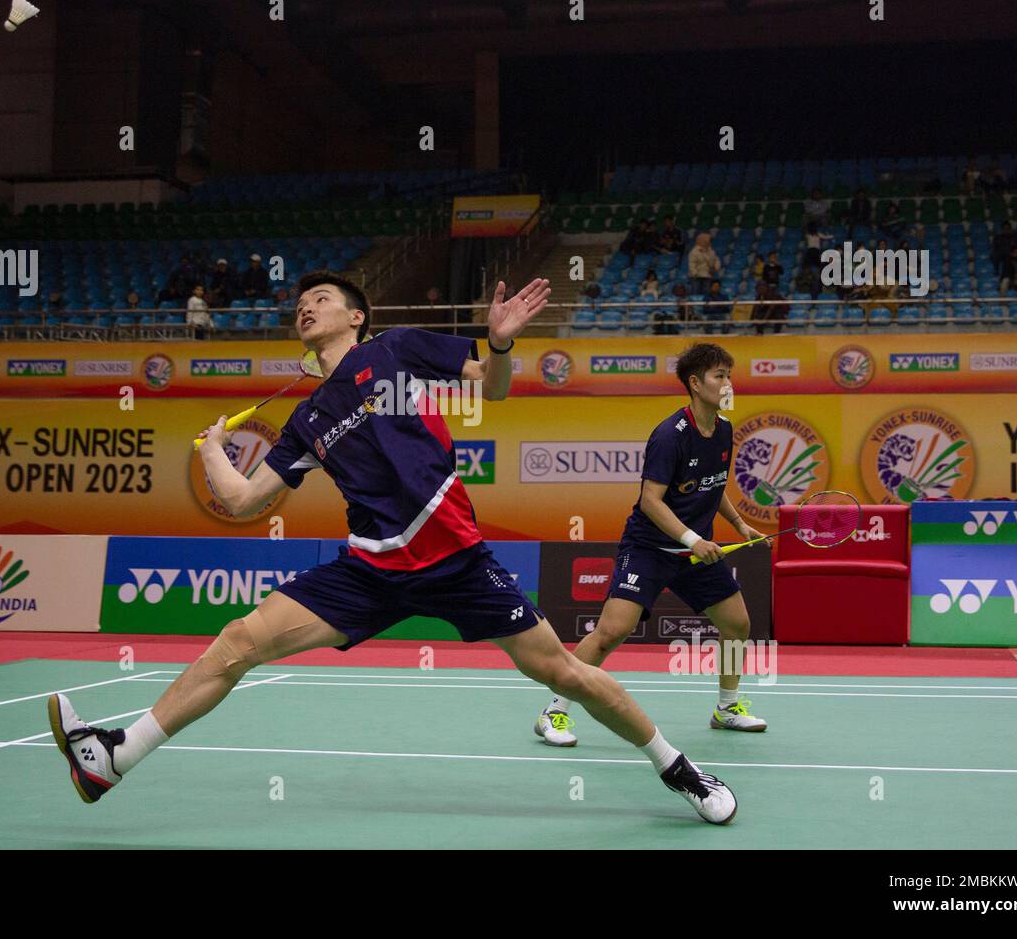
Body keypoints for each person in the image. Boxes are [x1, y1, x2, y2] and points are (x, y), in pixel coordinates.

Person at [46, 271, 738, 825]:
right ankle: (113, 759)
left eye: (322, 298)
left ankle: (678, 768)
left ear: (356, 317)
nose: (306, 307)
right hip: (371, 569)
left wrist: (497, 346)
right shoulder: (308, 416)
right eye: (301, 302)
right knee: (237, 643)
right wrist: (216, 451)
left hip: (457, 559)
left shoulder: (396, 351)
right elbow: (244, 500)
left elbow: (490, 389)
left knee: (563, 673)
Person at [533, 343, 767, 749]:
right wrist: (694, 539)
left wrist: (739, 523)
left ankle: (726, 707)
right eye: (719, 376)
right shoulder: (669, 436)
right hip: (650, 548)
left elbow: (714, 485)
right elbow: (650, 501)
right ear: (695, 384)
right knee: (610, 633)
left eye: (729, 375)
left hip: (692, 551)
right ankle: (554, 710)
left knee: (737, 623)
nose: (728, 384)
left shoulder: (724, 430)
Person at [687, 231, 721, 296]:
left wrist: (716, 268)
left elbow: (716, 260)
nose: (709, 241)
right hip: (696, 277)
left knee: (706, 294)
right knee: (695, 294)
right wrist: (695, 274)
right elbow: (691, 264)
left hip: (707, 276)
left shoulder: (711, 251)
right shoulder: (694, 252)